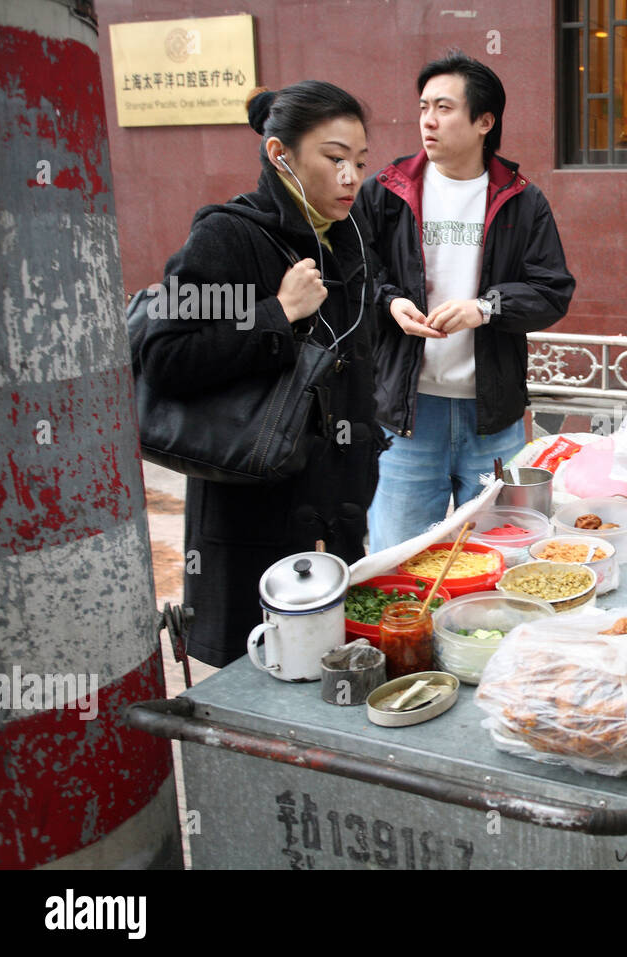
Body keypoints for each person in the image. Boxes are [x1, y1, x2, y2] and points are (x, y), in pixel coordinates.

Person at [140, 82, 381, 667]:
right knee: (259, 671)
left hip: (337, 501)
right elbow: (166, 358)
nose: (351, 176)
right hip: (253, 504)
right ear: (282, 156)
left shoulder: (347, 236)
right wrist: (278, 313)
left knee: (331, 665)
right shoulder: (228, 235)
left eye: (359, 162)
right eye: (334, 159)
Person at [357, 51, 575, 553]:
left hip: (492, 416)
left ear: (484, 121)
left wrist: (487, 307)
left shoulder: (522, 200)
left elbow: (551, 290)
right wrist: (390, 303)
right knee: (398, 561)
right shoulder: (386, 193)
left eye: (444, 108)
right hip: (408, 415)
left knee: (506, 556)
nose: (428, 121)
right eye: (423, 107)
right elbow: (354, 276)